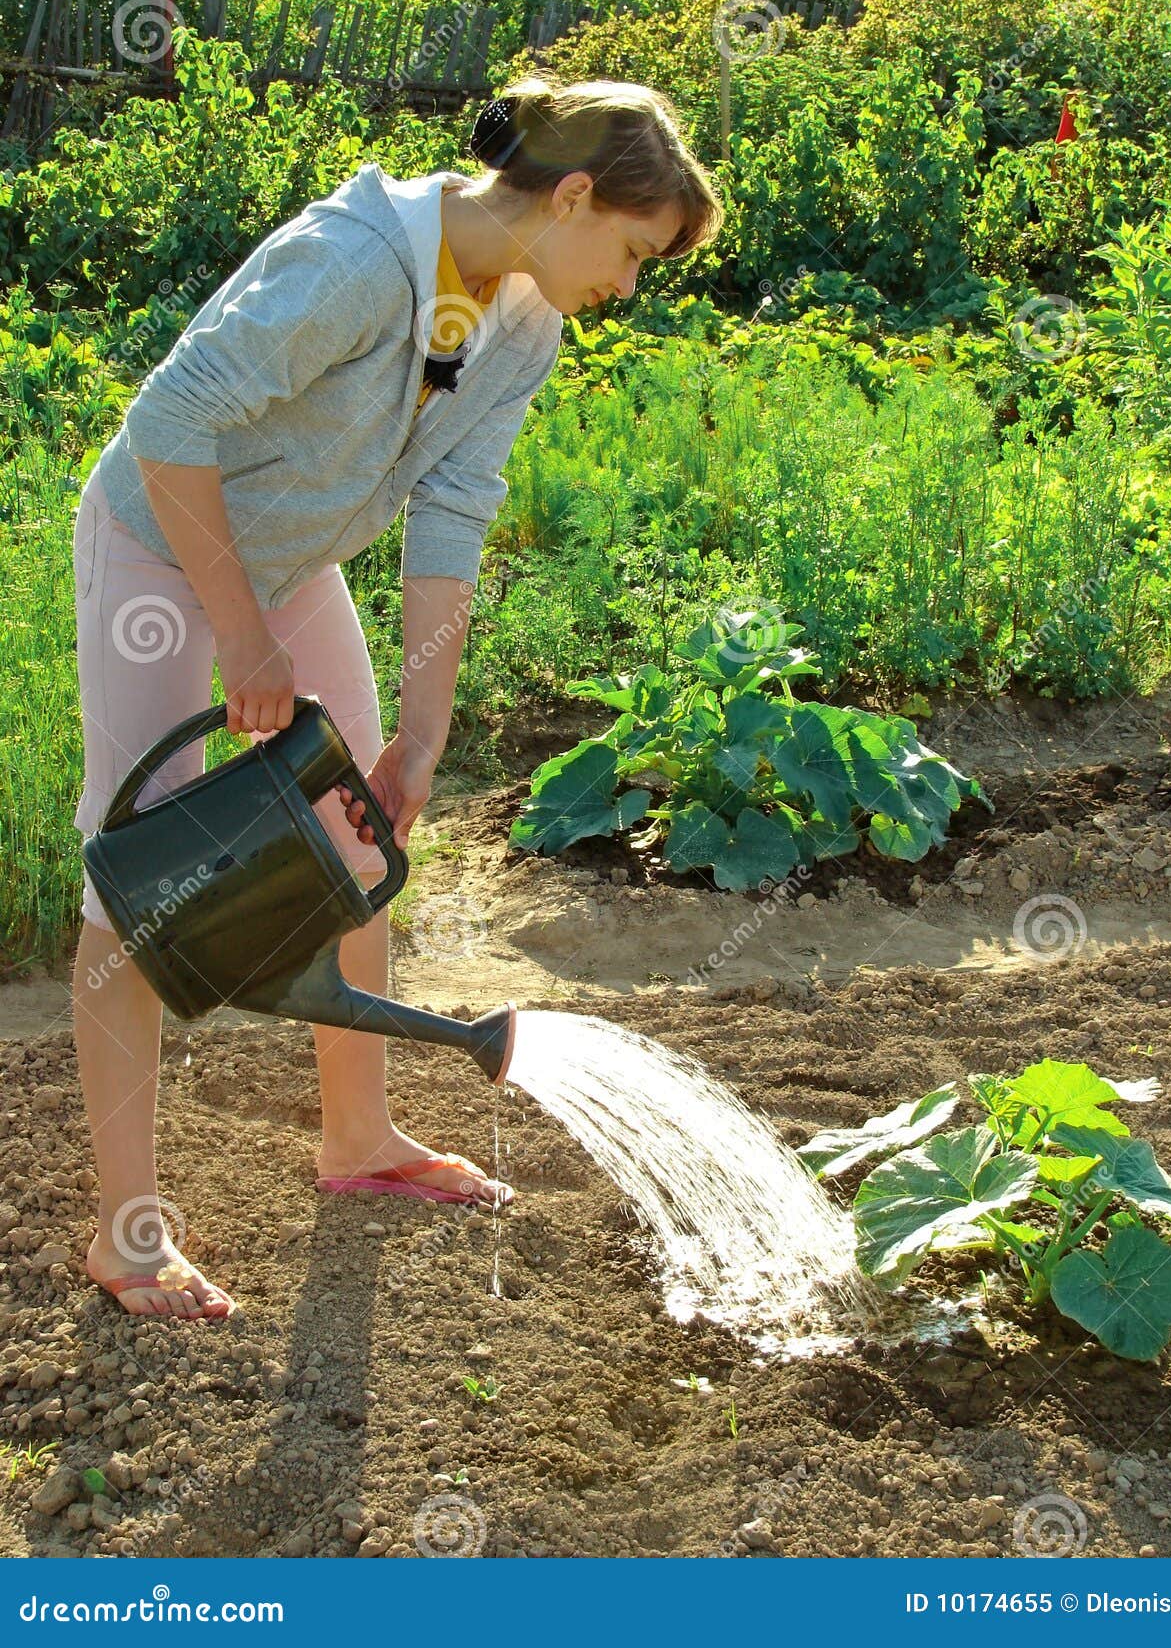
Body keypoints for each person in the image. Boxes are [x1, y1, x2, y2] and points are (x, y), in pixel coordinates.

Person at [71, 75, 725, 1320]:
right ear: (575, 194)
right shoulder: (360, 259)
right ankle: (127, 1234)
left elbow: (455, 507)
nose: (630, 288)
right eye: (634, 254)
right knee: (132, 860)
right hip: (160, 545)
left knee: (363, 819)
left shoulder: (525, 321)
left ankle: (357, 1135)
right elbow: (171, 423)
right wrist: (242, 634)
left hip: (291, 556)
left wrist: (424, 733)